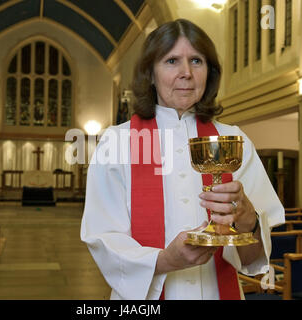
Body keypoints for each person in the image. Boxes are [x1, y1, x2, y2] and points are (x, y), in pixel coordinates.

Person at [80, 19, 284, 300]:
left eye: (196, 61)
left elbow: (253, 261)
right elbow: (104, 239)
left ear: (209, 72)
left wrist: (248, 221)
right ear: (150, 73)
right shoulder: (117, 142)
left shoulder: (233, 140)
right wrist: (167, 259)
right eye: (172, 60)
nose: (186, 73)